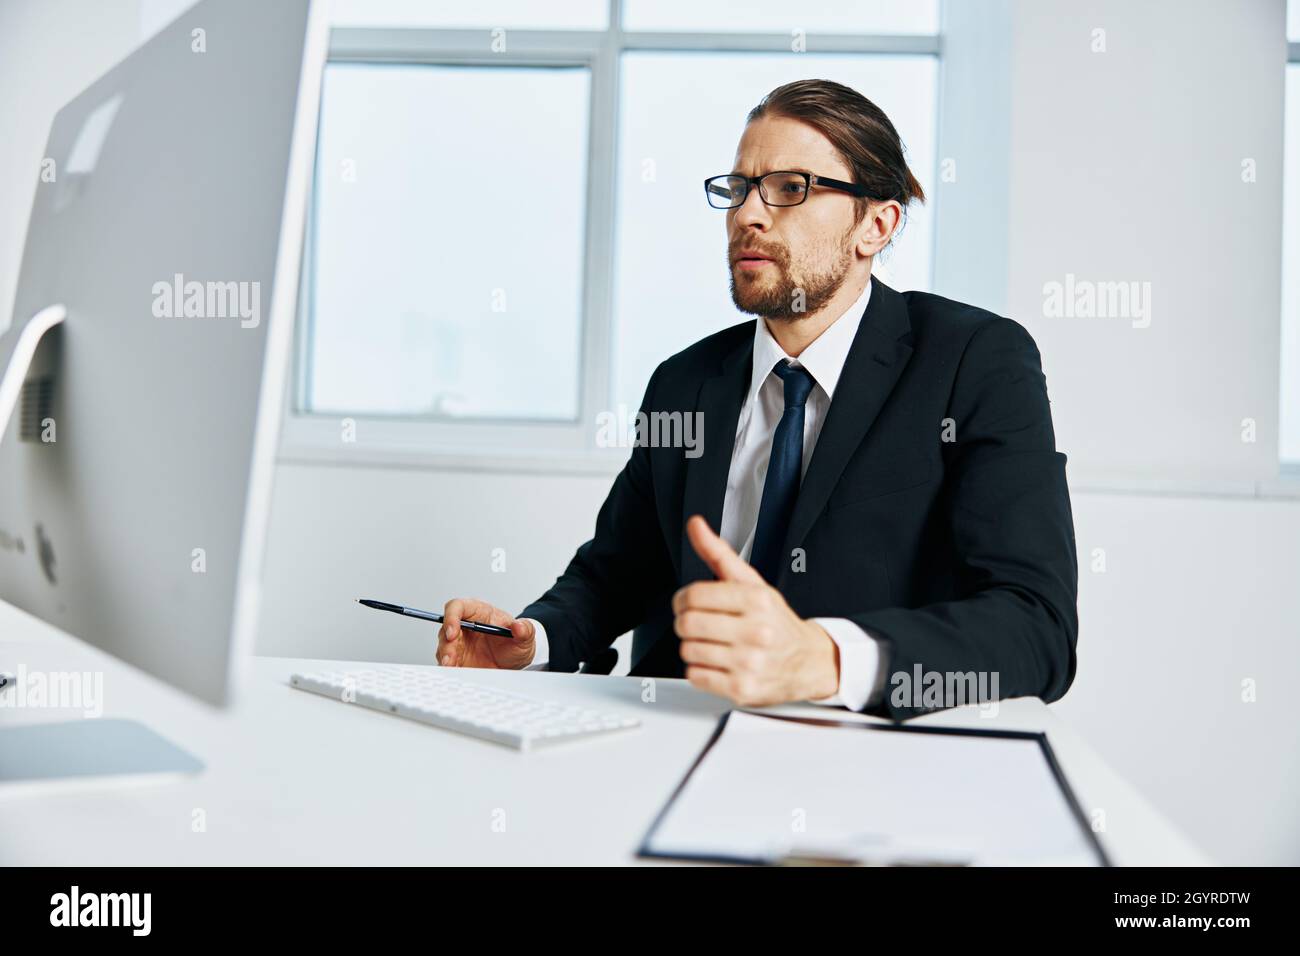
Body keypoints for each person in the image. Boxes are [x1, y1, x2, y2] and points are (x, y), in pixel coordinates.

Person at [436, 79, 1077, 720]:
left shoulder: (976, 362)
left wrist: (824, 658)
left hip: (866, 751)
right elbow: (617, 572)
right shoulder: (683, 381)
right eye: (739, 188)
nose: (748, 214)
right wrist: (531, 641)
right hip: (671, 729)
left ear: (876, 225)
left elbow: (1036, 628)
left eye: (791, 189)